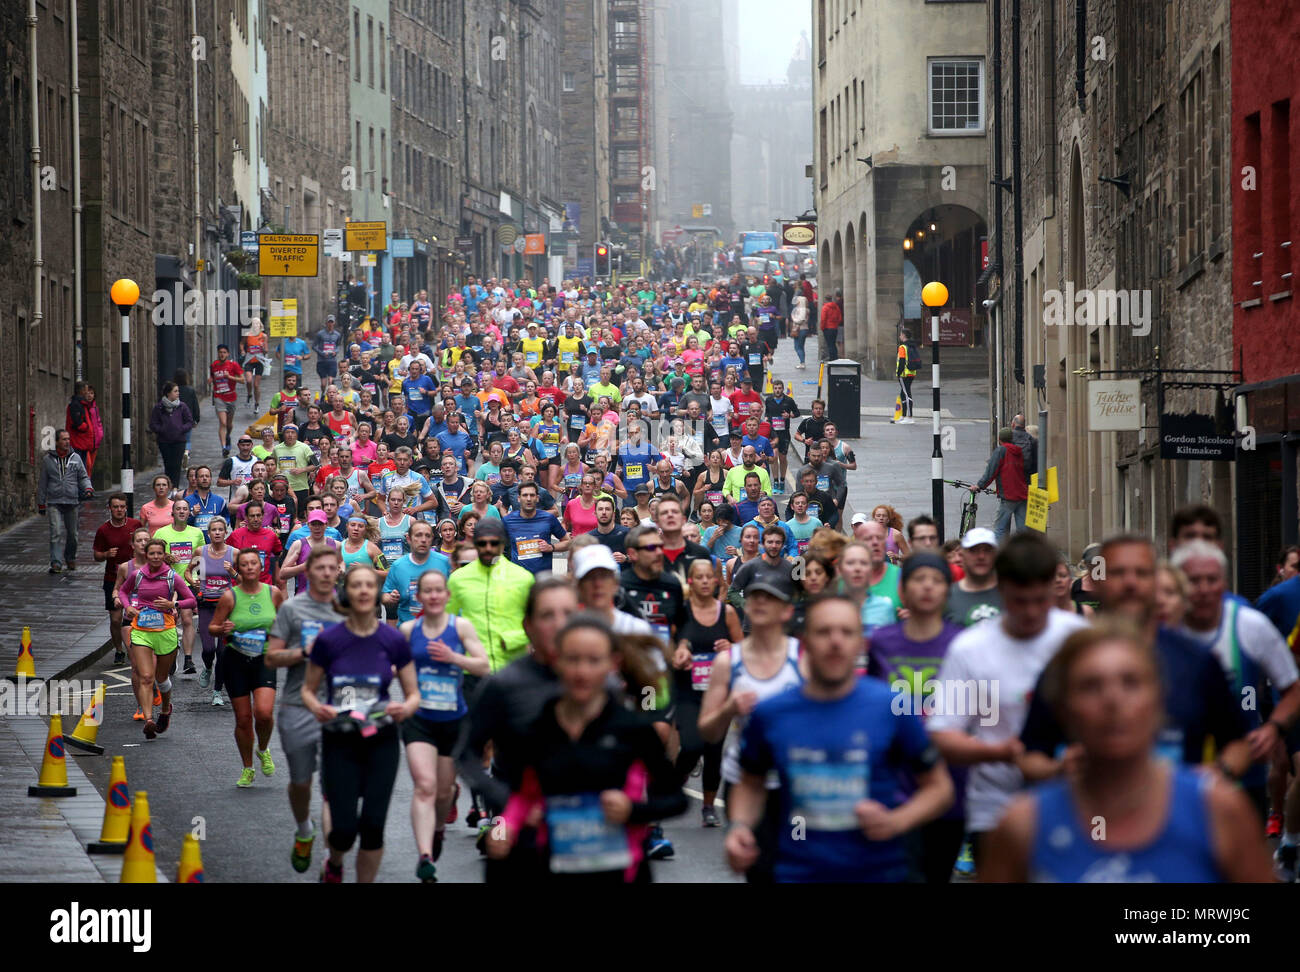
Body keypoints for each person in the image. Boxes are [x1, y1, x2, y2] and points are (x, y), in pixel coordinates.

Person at [983, 620, 1276, 883]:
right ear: (1063, 708)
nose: (1113, 700)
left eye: (1131, 683)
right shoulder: (1022, 827)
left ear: (1159, 699)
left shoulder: (1219, 811)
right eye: (1090, 686)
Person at [728, 593, 954, 882]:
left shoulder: (892, 707)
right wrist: (738, 827)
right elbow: (750, 782)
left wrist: (896, 821)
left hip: (882, 873)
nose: (835, 641)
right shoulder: (772, 713)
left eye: (846, 632)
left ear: (861, 643)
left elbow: (939, 788)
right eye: (824, 631)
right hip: (798, 873)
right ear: (804, 641)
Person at [927, 533, 1090, 867]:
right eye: (1019, 601)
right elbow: (944, 734)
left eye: (1039, 600)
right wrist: (1000, 752)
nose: (1030, 612)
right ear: (1001, 589)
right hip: (994, 808)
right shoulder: (970, 648)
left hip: (1074, 802)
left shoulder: (1077, 638)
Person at [485, 613, 688, 882]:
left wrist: (632, 811)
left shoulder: (632, 729)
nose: (582, 672)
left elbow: (676, 799)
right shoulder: (533, 730)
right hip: (555, 868)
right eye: (573, 659)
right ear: (556, 660)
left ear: (613, 664)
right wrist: (501, 831)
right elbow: (510, 798)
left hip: (621, 872)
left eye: (593, 661)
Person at [301, 565, 420, 883]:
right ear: (347, 593)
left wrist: (403, 708)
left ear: (377, 594)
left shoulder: (392, 639)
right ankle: (335, 861)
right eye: (357, 586)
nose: (365, 591)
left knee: (372, 827)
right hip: (340, 739)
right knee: (342, 830)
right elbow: (308, 691)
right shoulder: (329, 640)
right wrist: (318, 709)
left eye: (371, 585)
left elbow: (413, 695)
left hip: (381, 739)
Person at [457, 576, 580, 883]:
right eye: (547, 615)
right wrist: (503, 801)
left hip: (580, 830)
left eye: (567, 614)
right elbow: (466, 755)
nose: (558, 623)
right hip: (513, 825)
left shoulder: (596, 682)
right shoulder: (502, 686)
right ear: (528, 625)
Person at [1171, 540, 1300, 820]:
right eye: (1194, 581)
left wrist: (1273, 729)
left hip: (1242, 778)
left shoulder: (1249, 625)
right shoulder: (1157, 632)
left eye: (1212, 580)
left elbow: (1292, 688)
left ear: (1225, 582)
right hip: (1172, 786)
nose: (1204, 589)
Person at [868, 552, 967, 882]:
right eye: (918, 579)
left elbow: (981, 714)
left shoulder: (964, 644)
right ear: (903, 589)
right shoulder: (881, 642)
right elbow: (868, 704)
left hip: (951, 785)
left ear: (947, 590)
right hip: (896, 784)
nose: (927, 587)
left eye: (936, 580)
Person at [699, 570, 804, 883]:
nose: (759, 603)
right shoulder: (728, 662)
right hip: (745, 784)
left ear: (787, 609)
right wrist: (729, 708)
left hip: (794, 784)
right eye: (755, 596)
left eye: (769, 598)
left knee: (799, 864)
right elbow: (708, 731)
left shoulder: (804, 658)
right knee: (758, 869)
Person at [400, 570, 490, 881]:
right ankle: (425, 855)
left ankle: (437, 829)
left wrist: (454, 657)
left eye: (440, 590)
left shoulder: (460, 627)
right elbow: (388, 667)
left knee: (444, 792)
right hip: (419, 720)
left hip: (453, 719)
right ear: (421, 597)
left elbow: (483, 665)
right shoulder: (409, 630)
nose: (435, 596)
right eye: (429, 591)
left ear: (447, 596)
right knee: (425, 787)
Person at [265, 546, 342, 872]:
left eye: (331, 568)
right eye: (319, 568)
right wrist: (304, 652)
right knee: (301, 782)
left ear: (339, 570)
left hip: (337, 708)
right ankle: (304, 830)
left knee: (333, 786)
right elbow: (271, 657)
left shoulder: (348, 610)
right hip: (297, 706)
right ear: (308, 572)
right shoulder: (292, 610)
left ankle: (332, 860)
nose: (326, 573)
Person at [672, 557, 743, 827]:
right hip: (688, 689)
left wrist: (731, 649)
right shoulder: (681, 611)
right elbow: (668, 647)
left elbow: (744, 650)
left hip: (718, 690)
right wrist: (678, 653)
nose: (704, 581)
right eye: (698, 577)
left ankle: (708, 807)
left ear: (716, 581)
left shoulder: (726, 613)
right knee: (691, 745)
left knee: (714, 751)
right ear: (691, 581)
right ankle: (673, 788)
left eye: (708, 577)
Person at [209, 547, 285, 785]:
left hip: (264, 659)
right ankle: (247, 767)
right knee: (243, 718)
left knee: (263, 713)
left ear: (260, 566)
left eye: (254, 563)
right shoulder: (230, 596)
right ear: (238, 569)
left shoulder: (273, 594)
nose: (250, 567)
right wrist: (223, 629)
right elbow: (213, 626)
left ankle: (263, 749)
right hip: (236, 661)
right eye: (245, 564)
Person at [121, 538, 198, 739]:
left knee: (161, 678)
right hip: (141, 631)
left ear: (164, 555)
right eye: (152, 553)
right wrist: (127, 606)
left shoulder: (172, 577)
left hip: (165, 632)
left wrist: (173, 605)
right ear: (146, 555)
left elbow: (191, 599)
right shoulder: (137, 575)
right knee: (146, 677)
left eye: (159, 553)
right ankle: (148, 720)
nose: (155, 557)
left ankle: (165, 709)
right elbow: (122, 591)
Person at [446, 517, 535, 672]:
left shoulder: (523, 578)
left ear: (502, 544)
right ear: (475, 544)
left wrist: (512, 639)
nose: (488, 548)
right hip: (472, 670)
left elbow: (537, 624)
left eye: (493, 543)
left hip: (512, 667)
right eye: (482, 543)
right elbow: (445, 623)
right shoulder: (458, 578)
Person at [151, 498, 205, 674]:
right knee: (170, 621)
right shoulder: (161, 532)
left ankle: (188, 659)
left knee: (188, 618)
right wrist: (165, 556)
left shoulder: (196, 533)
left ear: (190, 513)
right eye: (178, 509)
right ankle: (172, 655)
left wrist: (199, 579)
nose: (182, 512)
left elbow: (201, 557)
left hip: (188, 581)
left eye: (185, 509)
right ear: (172, 513)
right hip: (166, 581)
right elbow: (152, 555)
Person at [93, 493, 142, 664]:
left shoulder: (135, 525)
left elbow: (146, 543)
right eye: (116, 507)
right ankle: (119, 650)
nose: (119, 510)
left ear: (126, 508)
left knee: (135, 615)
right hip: (112, 578)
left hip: (134, 577)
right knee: (115, 618)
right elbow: (96, 555)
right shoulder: (103, 530)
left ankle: (134, 646)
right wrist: (106, 554)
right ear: (110, 508)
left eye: (122, 506)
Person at [37, 429, 95, 574]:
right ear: (56, 442)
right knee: (55, 532)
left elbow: (83, 476)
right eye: (64, 439)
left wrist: (88, 488)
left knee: (73, 534)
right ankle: (56, 562)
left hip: (72, 501)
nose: (67, 442)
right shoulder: (47, 460)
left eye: (68, 439)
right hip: (54, 502)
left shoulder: (75, 458)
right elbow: (43, 483)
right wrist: (41, 503)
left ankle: (70, 557)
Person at [380, 519, 452, 624]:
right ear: (409, 539)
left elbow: (454, 595)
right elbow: (385, 595)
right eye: (418, 535)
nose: (423, 540)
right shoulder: (398, 566)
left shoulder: (444, 563)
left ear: (432, 539)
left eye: (427, 536)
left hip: (438, 628)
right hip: (408, 629)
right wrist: (391, 598)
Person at [503, 481, 570, 574]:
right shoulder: (508, 520)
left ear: (537, 498)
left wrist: (551, 547)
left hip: (542, 580)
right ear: (518, 498)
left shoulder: (548, 518)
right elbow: (497, 546)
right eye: (525, 495)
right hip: (518, 579)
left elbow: (568, 542)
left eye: (532, 495)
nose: (529, 499)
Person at [976, 428, 1029, 541]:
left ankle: (1000, 555)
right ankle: (1025, 555)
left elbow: (991, 471)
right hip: (1022, 494)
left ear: (999, 439)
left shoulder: (1001, 451)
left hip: (1008, 496)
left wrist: (980, 486)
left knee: (1000, 529)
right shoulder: (1019, 451)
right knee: (1023, 531)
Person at [944, 527, 1003, 626]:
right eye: (973, 550)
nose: (981, 556)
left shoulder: (1012, 593)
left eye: (987, 550)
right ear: (962, 554)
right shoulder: (945, 597)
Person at [148, 381, 195, 491]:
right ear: (168, 393)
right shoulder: (159, 408)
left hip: (179, 440)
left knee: (176, 464)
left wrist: (181, 429)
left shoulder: (182, 406)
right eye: (175, 391)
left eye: (178, 391)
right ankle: (167, 487)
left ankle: (175, 488)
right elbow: (153, 424)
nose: (178, 393)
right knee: (168, 464)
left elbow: (189, 421)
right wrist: (162, 429)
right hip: (164, 441)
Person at [66, 381, 105, 477]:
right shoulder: (76, 405)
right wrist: (87, 427)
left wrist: (98, 435)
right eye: (87, 391)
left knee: (85, 467)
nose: (88, 393)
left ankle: (86, 489)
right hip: (79, 442)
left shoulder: (85, 405)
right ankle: (83, 490)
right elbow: (77, 423)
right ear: (82, 390)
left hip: (86, 443)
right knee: (81, 468)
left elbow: (97, 423)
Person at [894, 328, 918, 424]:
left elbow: (902, 361)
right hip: (911, 372)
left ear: (904, 335)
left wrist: (898, 373)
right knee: (903, 394)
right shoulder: (912, 346)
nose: (899, 336)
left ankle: (909, 416)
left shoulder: (902, 347)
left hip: (904, 374)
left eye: (900, 335)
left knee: (907, 394)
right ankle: (903, 416)